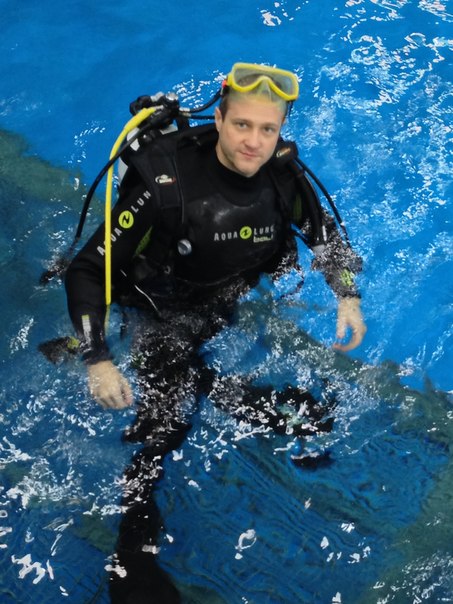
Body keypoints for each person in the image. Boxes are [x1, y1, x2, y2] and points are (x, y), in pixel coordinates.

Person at [65, 62, 366, 603]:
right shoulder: (166, 185)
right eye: (242, 125)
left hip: (223, 299)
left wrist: (347, 296)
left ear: (280, 131)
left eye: (268, 129)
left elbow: (327, 238)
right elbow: (88, 268)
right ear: (221, 119)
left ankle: (222, 390)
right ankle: (133, 549)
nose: (254, 142)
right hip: (159, 311)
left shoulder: (284, 175)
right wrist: (98, 359)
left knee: (200, 375)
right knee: (165, 426)